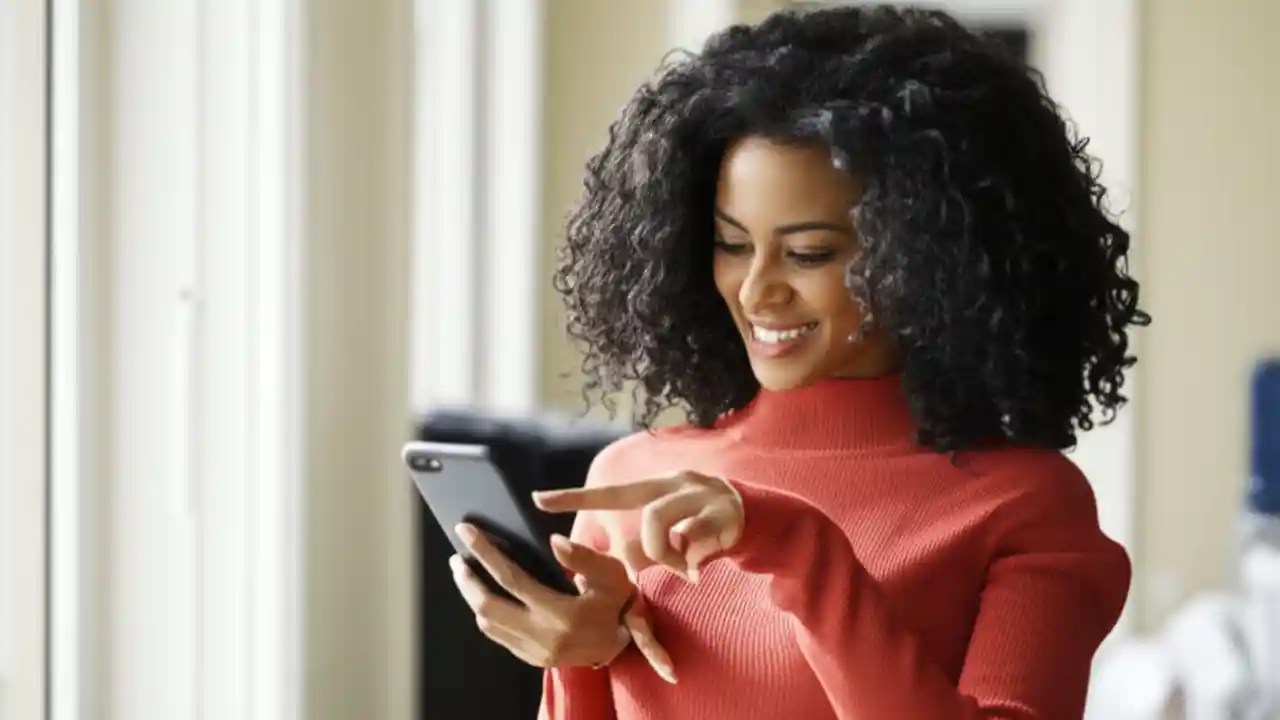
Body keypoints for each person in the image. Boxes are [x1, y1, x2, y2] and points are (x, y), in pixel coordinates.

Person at [448, 5, 1150, 718]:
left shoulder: (1024, 507)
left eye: (809, 252)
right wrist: (584, 660)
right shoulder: (633, 482)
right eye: (731, 243)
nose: (756, 290)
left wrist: (796, 546)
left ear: (928, 260)